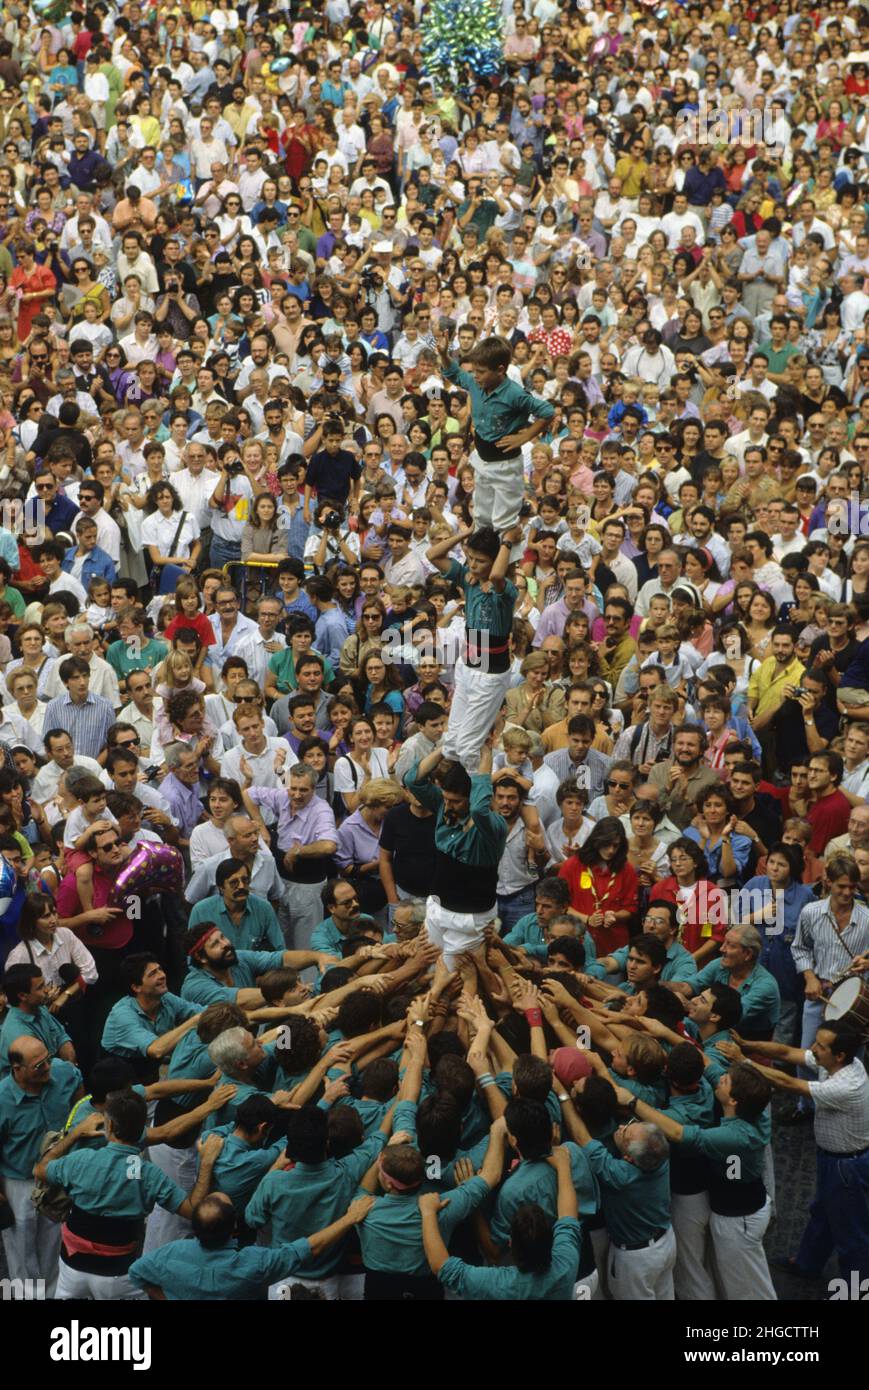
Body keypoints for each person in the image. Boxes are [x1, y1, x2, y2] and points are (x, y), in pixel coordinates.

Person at [435, 333, 554, 544]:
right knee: (481, 516)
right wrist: (444, 354)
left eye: (481, 372)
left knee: (503, 522)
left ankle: (507, 563)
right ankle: (482, 562)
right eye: (474, 371)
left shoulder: (515, 393)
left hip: (506, 466)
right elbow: (454, 373)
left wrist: (526, 436)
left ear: (500, 370)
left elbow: (547, 411)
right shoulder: (475, 383)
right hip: (482, 459)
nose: (476, 376)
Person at [426, 523, 522, 774]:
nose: (473, 565)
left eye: (480, 560)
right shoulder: (468, 581)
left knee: (469, 747)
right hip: (467, 668)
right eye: (470, 558)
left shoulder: (506, 590)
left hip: (489, 676)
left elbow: (498, 576)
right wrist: (467, 534)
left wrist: (508, 542)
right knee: (452, 744)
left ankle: (481, 796)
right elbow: (432, 555)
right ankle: (459, 791)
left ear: (494, 561)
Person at [403, 741, 507, 968]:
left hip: (469, 919)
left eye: (456, 801)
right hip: (438, 908)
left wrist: (485, 756)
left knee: (454, 977)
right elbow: (413, 780)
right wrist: (445, 747)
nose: (448, 805)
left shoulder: (493, 826)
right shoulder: (443, 805)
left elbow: (479, 810)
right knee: (425, 968)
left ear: (473, 796)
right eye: (446, 798)